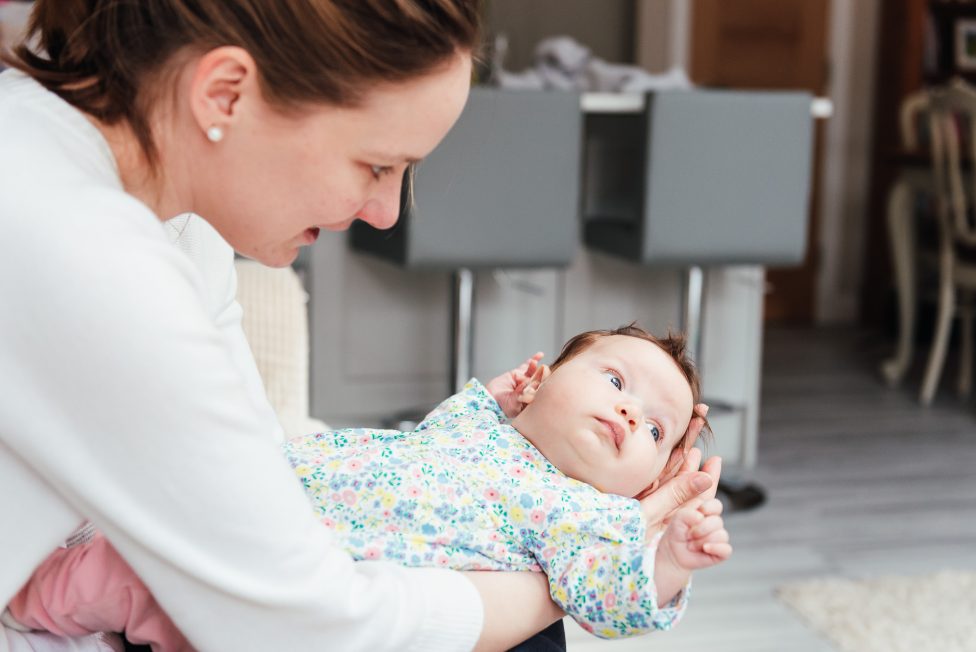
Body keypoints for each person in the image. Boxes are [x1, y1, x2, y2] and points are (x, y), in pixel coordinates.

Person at [0, 1, 720, 650]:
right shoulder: (83, 248)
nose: (388, 213)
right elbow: (305, 622)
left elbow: (256, 461)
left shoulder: (181, 224)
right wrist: (569, 574)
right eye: (377, 164)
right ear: (224, 94)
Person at [5, 325, 729, 650]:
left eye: (658, 431)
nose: (632, 411)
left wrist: (665, 561)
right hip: (273, 493)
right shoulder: (483, 424)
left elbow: (606, 598)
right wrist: (496, 396)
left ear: (646, 479)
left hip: (312, 578)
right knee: (149, 531)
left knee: (128, 581)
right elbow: (437, 435)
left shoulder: (579, 515)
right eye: (614, 379)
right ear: (541, 379)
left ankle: (29, 600)